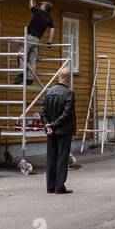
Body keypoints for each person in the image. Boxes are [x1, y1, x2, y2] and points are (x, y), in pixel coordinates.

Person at [42, 65, 76, 194]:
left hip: (51, 131)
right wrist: (54, 125)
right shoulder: (69, 93)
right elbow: (67, 114)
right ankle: (59, 186)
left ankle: (50, 186)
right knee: (62, 158)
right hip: (64, 130)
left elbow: (43, 112)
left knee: (51, 157)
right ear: (68, 78)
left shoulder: (48, 91)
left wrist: (48, 125)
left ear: (59, 77)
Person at [21, 0, 54, 85]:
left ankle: (21, 73)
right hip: (37, 40)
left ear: (44, 7)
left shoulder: (39, 11)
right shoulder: (49, 18)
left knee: (22, 55)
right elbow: (52, 29)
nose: (41, 5)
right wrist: (49, 42)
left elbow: (31, 6)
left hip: (29, 37)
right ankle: (30, 79)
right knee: (32, 59)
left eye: (42, 4)